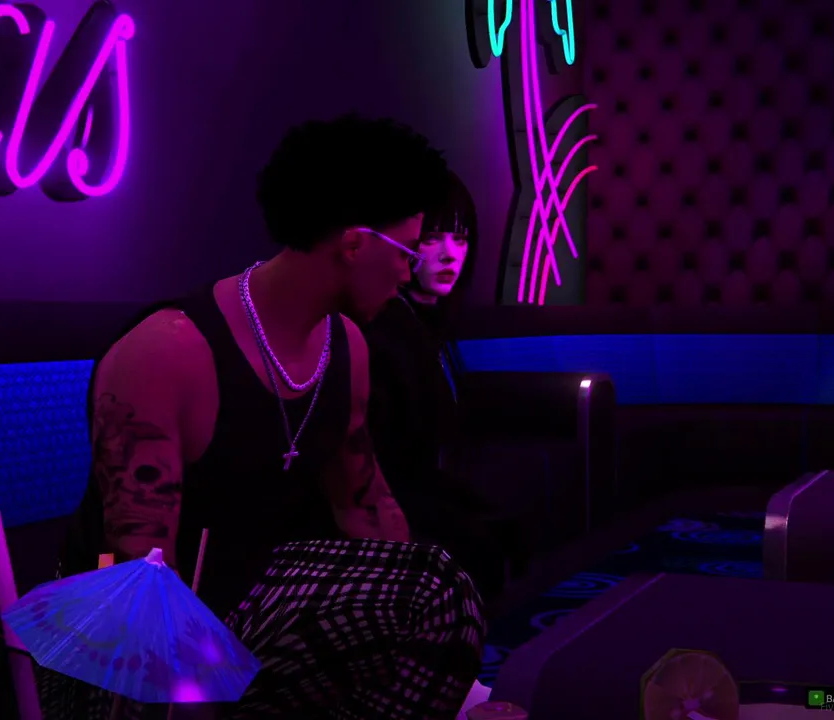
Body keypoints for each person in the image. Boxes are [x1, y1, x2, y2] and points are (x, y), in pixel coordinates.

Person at [45, 116, 486, 720]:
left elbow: (368, 512)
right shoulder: (168, 352)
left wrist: (403, 620)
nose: (411, 272)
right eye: (406, 251)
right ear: (354, 245)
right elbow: (137, 574)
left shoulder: (347, 349)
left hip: (249, 597)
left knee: (436, 589)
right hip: (116, 633)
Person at [363, 170, 509, 601]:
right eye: (432, 239)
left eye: (460, 239)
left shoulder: (432, 325)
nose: (449, 255)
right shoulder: (388, 329)